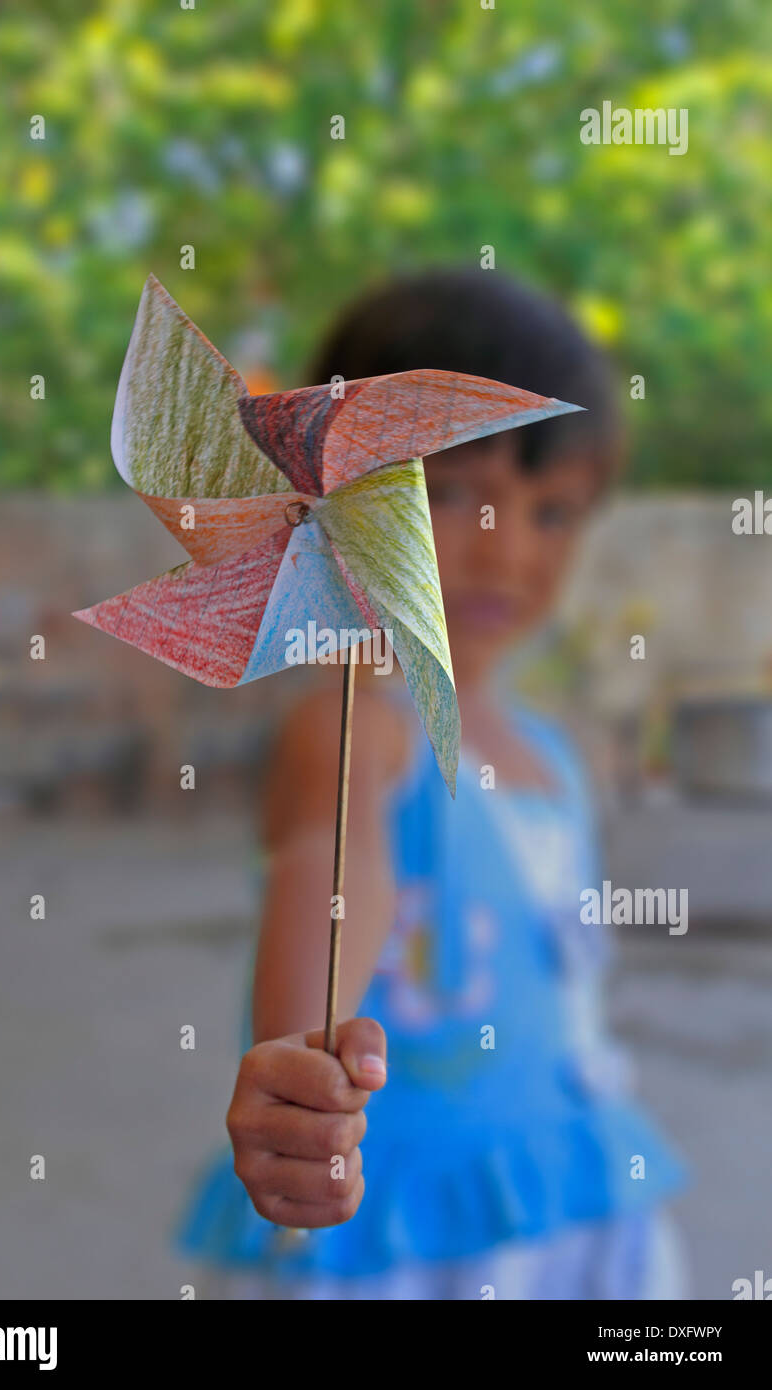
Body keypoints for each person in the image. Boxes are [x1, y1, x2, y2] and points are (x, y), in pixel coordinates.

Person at [174, 267, 687, 1299]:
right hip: (412, 1239)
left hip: (571, 1202)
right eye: (451, 494)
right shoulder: (359, 734)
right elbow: (333, 864)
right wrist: (291, 1069)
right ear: (326, 501)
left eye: (552, 511)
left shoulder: (551, 756)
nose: (507, 550)